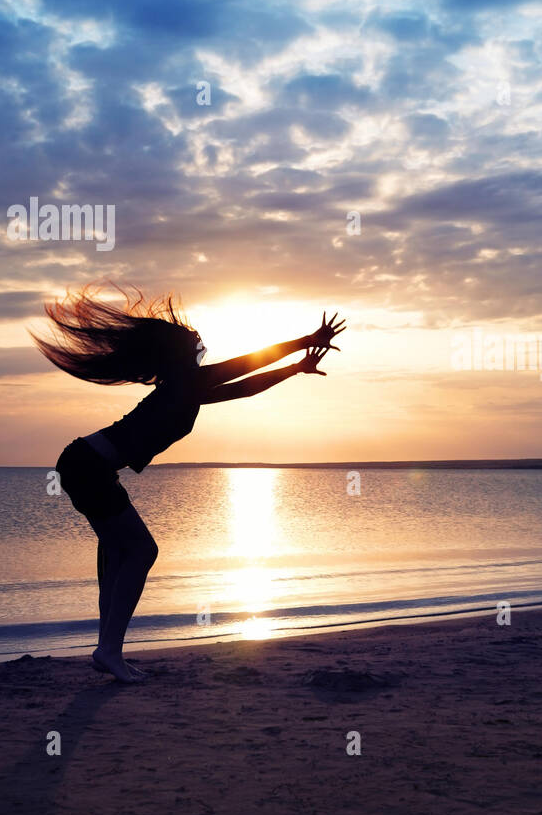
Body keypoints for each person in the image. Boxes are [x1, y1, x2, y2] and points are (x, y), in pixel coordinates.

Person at [33, 284, 345, 683]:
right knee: (142, 551)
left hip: (87, 464)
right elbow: (245, 365)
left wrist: (295, 369)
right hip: (87, 466)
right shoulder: (184, 385)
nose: (201, 352)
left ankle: (107, 649)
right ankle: (108, 649)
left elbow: (243, 387)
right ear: (181, 355)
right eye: (195, 348)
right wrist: (307, 341)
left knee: (118, 555)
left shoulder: (187, 391)